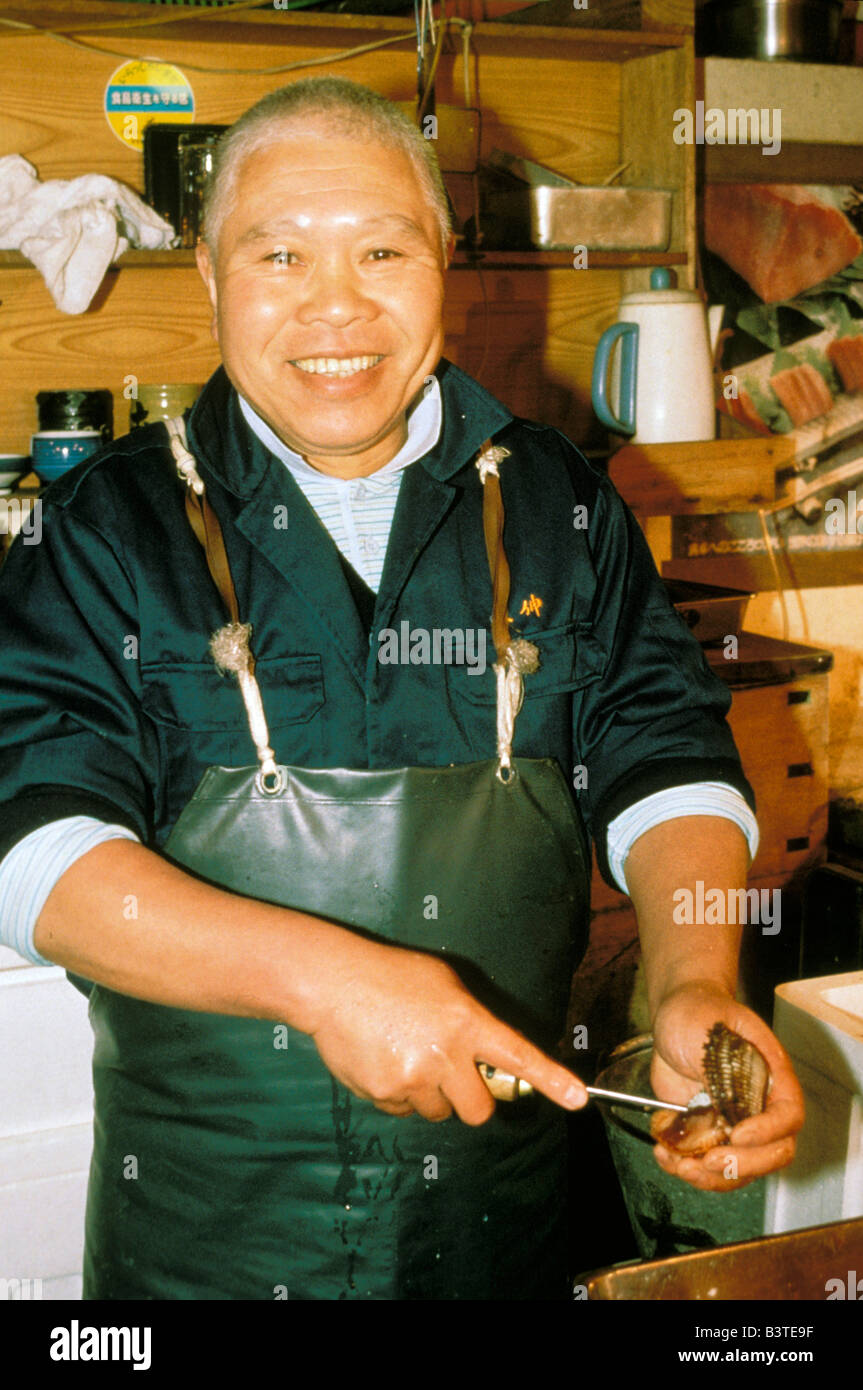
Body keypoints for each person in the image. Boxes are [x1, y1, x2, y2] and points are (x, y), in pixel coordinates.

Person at [0, 77, 804, 1302]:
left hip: (507, 1230)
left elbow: (662, 750)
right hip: (204, 1253)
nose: (336, 306)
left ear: (443, 265)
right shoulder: (102, 527)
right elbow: (30, 835)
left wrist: (693, 977)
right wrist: (324, 979)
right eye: (278, 254)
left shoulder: (560, 503)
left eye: (381, 249)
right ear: (211, 279)